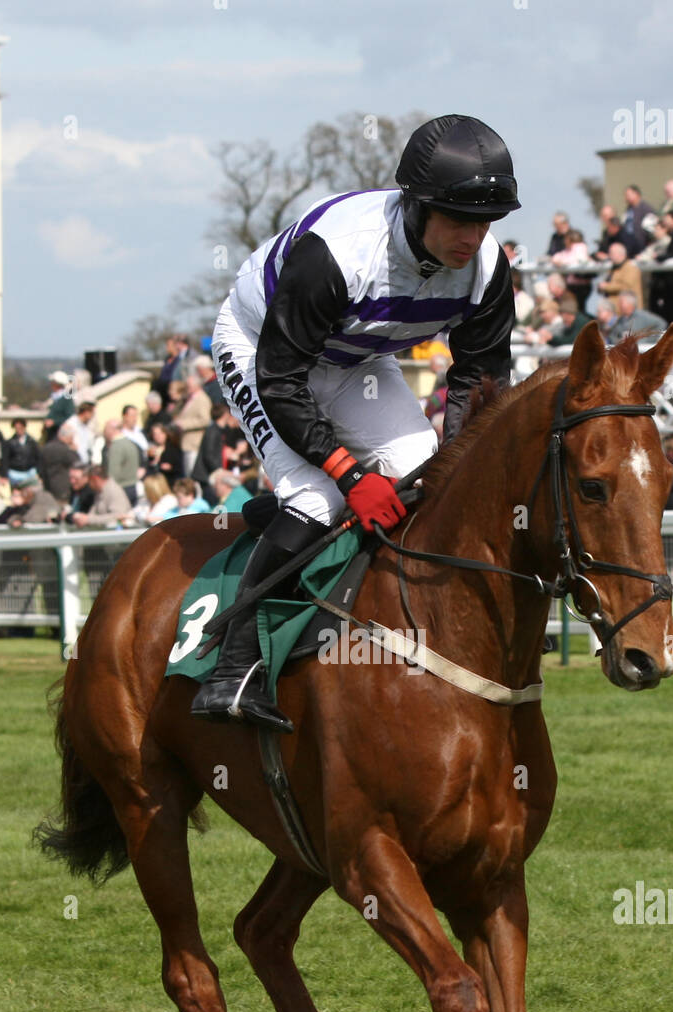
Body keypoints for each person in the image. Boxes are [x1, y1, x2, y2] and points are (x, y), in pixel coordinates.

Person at [196, 113, 520, 728]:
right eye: (458, 218)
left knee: (420, 481)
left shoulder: (487, 271)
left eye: (485, 222)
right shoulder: (339, 252)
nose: (471, 238)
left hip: (357, 361)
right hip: (264, 351)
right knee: (318, 496)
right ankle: (234, 667)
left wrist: (455, 471)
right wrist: (348, 475)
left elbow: (478, 385)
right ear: (417, 206)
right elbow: (282, 381)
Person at [596, 241, 643, 313]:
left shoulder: (631, 268)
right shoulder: (613, 268)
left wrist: (606, 287)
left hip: (626, 310)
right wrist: (600, 287)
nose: (609, 256)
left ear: (620, 254)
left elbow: (626, 286)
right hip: (612, 309)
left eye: (611, 253)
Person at [2, 417, 42, 483]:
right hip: (15, 473)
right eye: (16, 428)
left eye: (20, 428)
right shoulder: (10, 443)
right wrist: (4, 475)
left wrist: (39, 473)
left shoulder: (32, 442)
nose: (18, 430)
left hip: (29, 472)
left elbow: (38, 458)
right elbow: (5, 460)